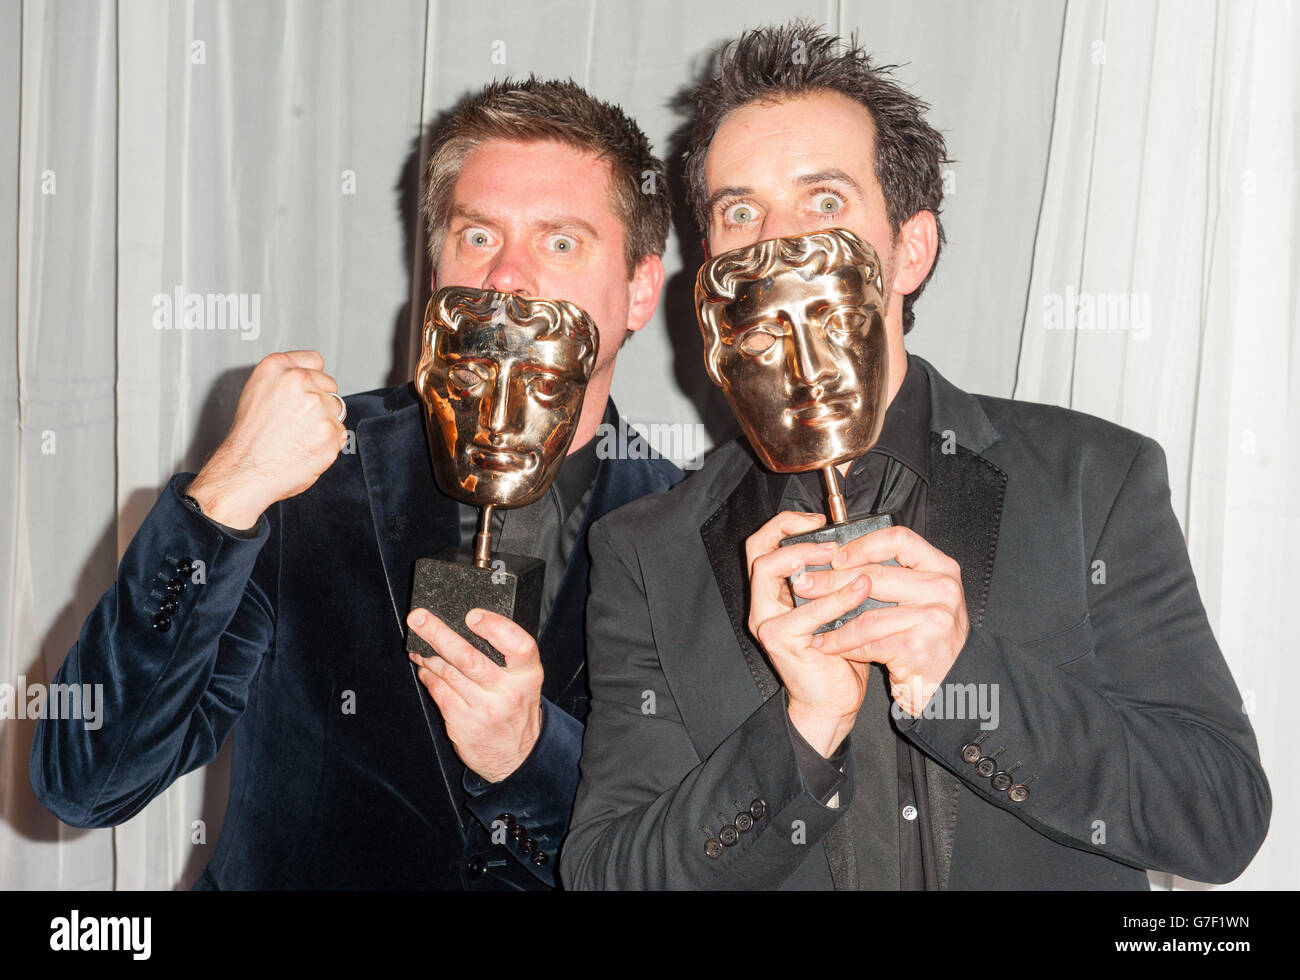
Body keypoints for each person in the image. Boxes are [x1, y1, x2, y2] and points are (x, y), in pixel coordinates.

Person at [561, 22, 1270, 890]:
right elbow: (606, 873)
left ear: (911, 250)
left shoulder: (1092, 479)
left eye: (824, 203)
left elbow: (1221, 815)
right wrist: (800, 733)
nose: (774, 248)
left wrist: (963, 679)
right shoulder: (648, 547)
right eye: (739, 212)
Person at [30, 77, 681, 890]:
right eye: (477, 236)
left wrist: (528, 758)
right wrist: (226, 494)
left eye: (559, 243)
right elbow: (87, 780)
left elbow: (678, 863)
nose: (506, 279)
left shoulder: (693, 534)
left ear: (640, 290)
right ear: (435, 261)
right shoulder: (310, 474)